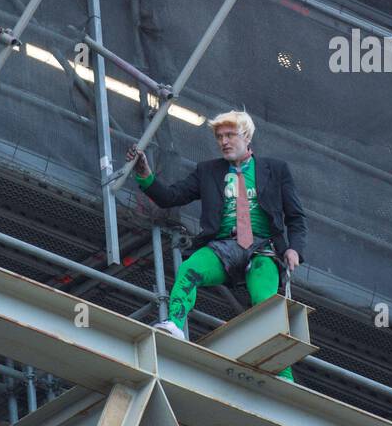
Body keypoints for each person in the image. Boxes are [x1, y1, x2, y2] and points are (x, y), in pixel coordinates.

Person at [127, 110, 307, 381]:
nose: (223, 141)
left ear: (246, 136)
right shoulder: (207, 171)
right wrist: (145, 176)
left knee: (265, 302)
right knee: (190, 270)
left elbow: (295, 216)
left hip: (263, 248)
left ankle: (283, 372)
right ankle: (174, 324)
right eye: (219, 136)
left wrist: (294, 249)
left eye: (230, 135)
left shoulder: (276, 169)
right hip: (223, 246)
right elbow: (170, 197)